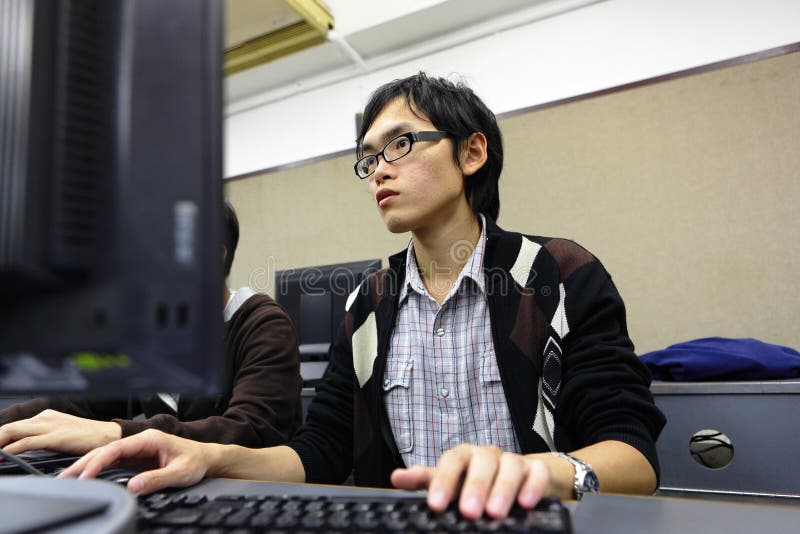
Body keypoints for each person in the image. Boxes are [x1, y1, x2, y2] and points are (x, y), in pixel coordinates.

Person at [60, 73, 665, 520]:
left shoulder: (559, 274)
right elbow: (318, 453)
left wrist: (534, 471)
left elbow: (634, 458)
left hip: (538, 520)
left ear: (472, 152)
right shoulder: (368, 303)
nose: (378, 169)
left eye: (400, 145)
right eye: (369, 157)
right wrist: (210, 455)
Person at [0, 201, 302, 454]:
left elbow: (251, 433)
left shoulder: (263, 325)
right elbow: (78, 403)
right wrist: (9, 422)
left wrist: (119, 434)